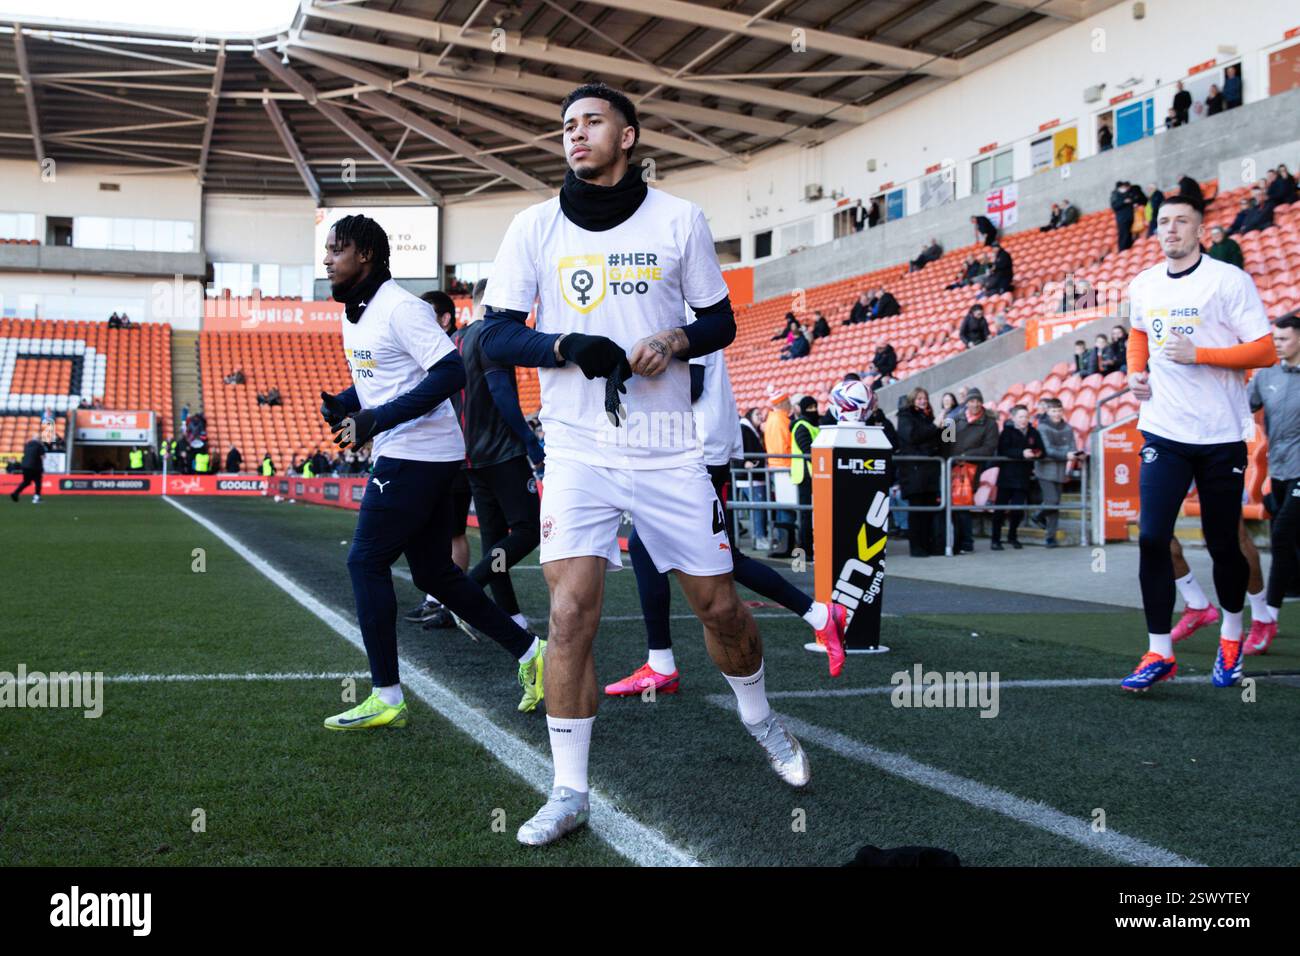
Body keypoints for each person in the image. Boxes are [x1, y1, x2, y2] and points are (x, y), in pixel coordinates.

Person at [478, 83, 810, 846]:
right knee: (569, 616)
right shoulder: (533, 226)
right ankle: (568, 791)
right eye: (567, 124)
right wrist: (563, 346)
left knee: (720, 608)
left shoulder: (679, 219)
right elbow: (491, 339)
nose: (575, 133)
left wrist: (676, 340)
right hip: (577, 449)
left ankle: (761, 720)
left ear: (628, 136)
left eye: (592, 121)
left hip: (667, 448)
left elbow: (720, 318)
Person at [316, 213, 546, 733]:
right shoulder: (356, 313)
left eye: (336, 250)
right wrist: (348, 403)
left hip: (418, 454)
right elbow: (388, 380)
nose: (327, 259)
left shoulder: (401, 307)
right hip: (419, 453)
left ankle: (386, 696)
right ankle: (532, 651)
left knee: (364, 562)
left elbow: (448, 372)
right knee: (433, 573)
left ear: (366, 256)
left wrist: (377, 418)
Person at [608, 350, 848, 697]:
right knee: (656, 547)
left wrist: (622, 380)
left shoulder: (687, 306)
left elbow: (691, 384)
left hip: (696, 450)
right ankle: (818, 615)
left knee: (701, 554)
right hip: (696, 449)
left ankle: (819, 615)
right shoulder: (684, 308)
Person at [1120, 193, 1277, 692]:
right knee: (1150, 538)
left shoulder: (1229, 281)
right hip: (1164, 430)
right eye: (1164, 222)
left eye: (1181, 222)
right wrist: (1135, 374)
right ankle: (1159, 650)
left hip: (1220, 434)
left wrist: (1202, 354)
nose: (1170, 229)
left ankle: (1231, 637)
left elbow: (1267, 349)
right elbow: (1138, 334)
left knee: (1222, 541)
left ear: (1199, 230)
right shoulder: (1143, 283)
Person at [450, 278, 545, 641]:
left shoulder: (455, 340)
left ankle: (512, 618)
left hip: (469, 455)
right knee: (528, 529)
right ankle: (465, 592)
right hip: (501, 451)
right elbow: (502, 393)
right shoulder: (491, 336)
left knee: (495, 542)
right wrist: (530, 444)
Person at [1243, 312, 1300, 654]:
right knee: (1290, 544)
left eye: (1283, 339)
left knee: (1280, 538)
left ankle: (1266, 618)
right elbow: (1239, 407)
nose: (1276, 344)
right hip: (1278, 472)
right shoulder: (1267, 377)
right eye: (1274, 339)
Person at [896, 388, 944, 557]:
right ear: (912, 400)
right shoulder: (905, 416)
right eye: (919, 398)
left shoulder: (930, 417)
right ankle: (916, 548)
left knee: (930, 511)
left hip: (929, 471)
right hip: (914, 472)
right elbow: (912, 436)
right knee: (916, 512)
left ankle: (929, 546)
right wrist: (934, 427)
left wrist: (945, 427)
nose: (923, 401)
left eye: (925, 398)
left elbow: (943, 440)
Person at [950, 388, 998, 553]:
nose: (975, 404)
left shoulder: (990, 423)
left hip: (971, 468)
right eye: (971, 401)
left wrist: (966, 455)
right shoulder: (954, 419)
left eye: (977, 401)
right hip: (951, 467)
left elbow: (990, 448)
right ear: (966, 402)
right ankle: (957, 542)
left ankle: (965, 543)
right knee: (953, 508)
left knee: (962, 507)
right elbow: (944, 441)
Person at [991, 405, 1042, 550]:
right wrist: (1021, 453)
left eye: (1026, 416)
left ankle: (1012, 537)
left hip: (1023, 476)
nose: (1024, 420)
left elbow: (1041, 449)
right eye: (1021, 417)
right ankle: (995, 539)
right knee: (1000, 509)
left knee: (1018, 510)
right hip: (1007, 476)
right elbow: (1003, 450)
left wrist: (1037, 453)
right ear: (1013, 418)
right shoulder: (1006, 432)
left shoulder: (1033, 432)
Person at [1030, 398, 1077, 547]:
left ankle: (1050, 537)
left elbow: (1072, 447)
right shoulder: (1042, 427)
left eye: (1059, 411)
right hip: (1044, 470)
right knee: (1052, 501)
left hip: (1060, 471)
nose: (1056, 414)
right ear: (1048, 411)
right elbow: (1047, 450)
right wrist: (1066, 454)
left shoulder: (1068, 428)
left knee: (1055, 504)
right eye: (1053, 411)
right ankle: (1037, 515)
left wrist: (1074, 454)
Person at [763, 392, 797, 557]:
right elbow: (784, 447)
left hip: (778, 468)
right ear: (782, 402)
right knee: (788, 508)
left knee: (785, 507)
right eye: (788, 401)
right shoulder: (780, 420)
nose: (790, 403)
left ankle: (785, 544)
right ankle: (786, 545)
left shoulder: (773, 419)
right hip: (785, 468)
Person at [791, 395, 821, 560]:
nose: (813, 411)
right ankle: (805, 551)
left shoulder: (814, 424)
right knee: (805, 515)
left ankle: (808, 549)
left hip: (814, 474)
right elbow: (808, 451)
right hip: (805, 475)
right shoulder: (802, 426)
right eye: (809, 408)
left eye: (815, 407)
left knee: (810, 514)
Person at [736, 408, 768, 548]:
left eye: (761, 414)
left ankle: (759, 537)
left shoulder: (753, 430)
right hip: (749, 477)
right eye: (757, 414)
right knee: (757, 509)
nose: (760, 417)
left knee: (757, 509)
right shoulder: (744, 429)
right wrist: (743, 463)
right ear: (749, 416)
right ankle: (759, 538)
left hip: (753, 477)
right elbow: (738, 450)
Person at [9, 435, 44, 503]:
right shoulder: (39, 445)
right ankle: (36, 498)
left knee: (26, 482)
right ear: (38, 439)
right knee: (38, 482)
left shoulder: (27, 445)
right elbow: (43, 456)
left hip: (25, 466)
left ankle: (15, 493)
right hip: (35, 467)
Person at [1111, 180, 1136, 252]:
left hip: (1129, 217)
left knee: (1128, 234)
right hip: (1122, 219)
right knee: (1123, 235)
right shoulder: (1115, 195)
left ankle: (1129, 249)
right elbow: (1114, 206)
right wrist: (1124, 202)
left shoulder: (1127, 193)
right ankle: (1123, 251)